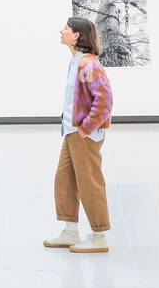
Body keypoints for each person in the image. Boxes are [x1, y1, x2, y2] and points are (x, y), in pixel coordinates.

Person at [44, 16, 114, 253]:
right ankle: (70, 231)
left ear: (76, 36)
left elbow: (104, 101)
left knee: (89, 183)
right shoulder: (77, 62)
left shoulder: (87, 64)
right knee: (64, 180)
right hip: (71, 132)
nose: (61, 30)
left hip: (82, 134)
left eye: (66, 28)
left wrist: (86, 128)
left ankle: (99, 235)